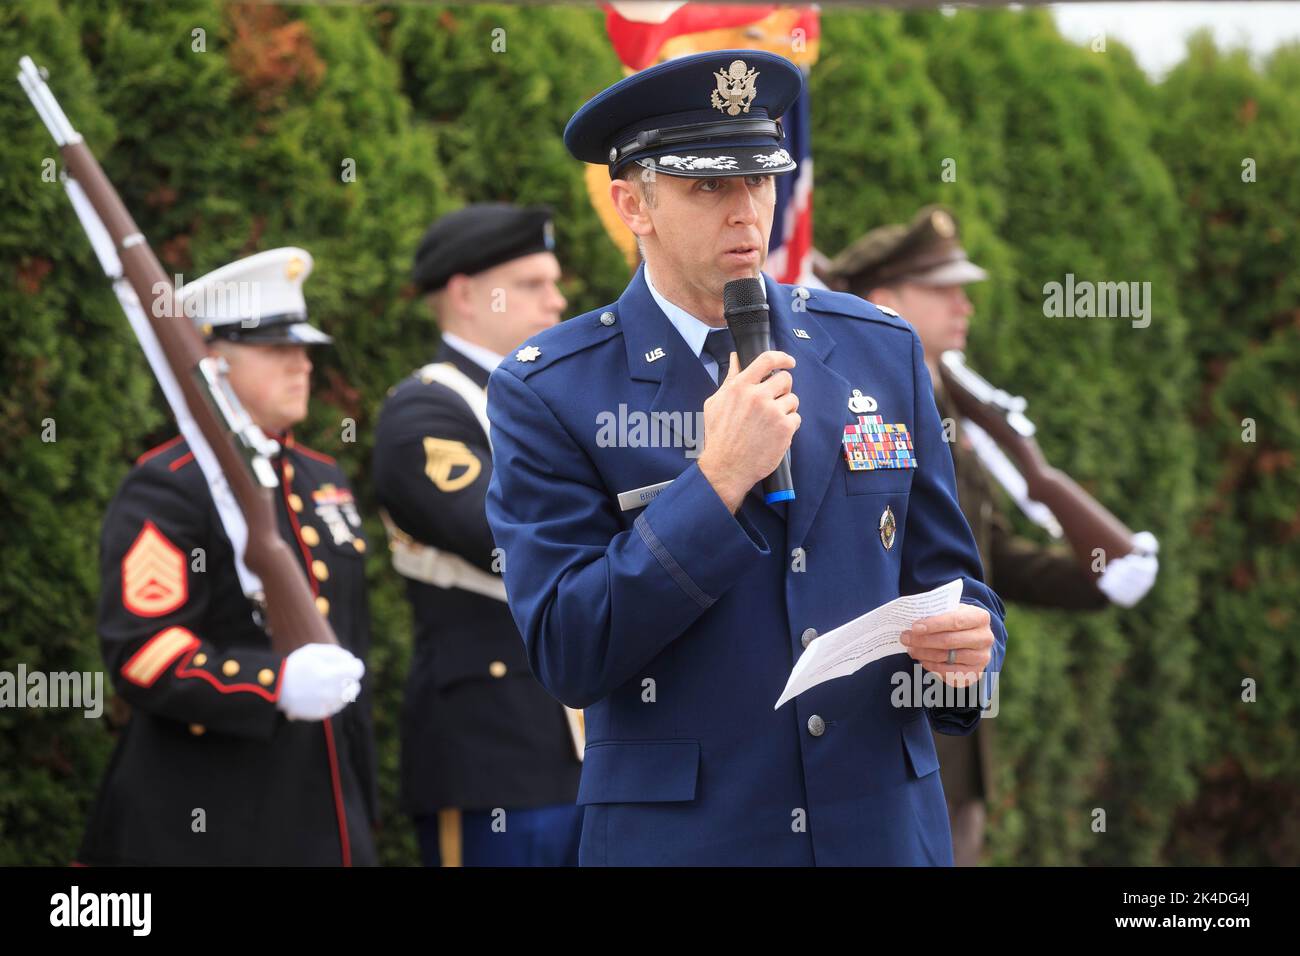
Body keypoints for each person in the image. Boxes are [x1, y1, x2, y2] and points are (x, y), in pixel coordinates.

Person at [484, 50, 1006, 866]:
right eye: (708, 187)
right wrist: (714, 482)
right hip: (692, 839)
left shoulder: (877, 349)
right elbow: (568, 649)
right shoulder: (551, 391)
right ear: (633, 203)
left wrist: (971, 654)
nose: (746, 213)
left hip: (880, 833)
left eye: (760, 180)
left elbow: (950, 579)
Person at [823, 205, 1160, 865]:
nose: (965, 305)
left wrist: (1094, 572)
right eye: (943, 289)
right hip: (885, 738)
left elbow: (984, 556)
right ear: (884, 301)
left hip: (955, 740)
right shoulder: (861, 411)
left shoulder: (947, 408)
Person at [78, 248, 377, 866]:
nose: (302, 364)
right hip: (211, 817)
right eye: (274, 349)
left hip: (325, 809)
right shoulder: (170, 485)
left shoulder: (322, 476)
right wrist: (272, 685)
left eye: (304, 348)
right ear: (211, 363)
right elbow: (145, 650)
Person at [373, 204, 583, 866]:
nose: (556, 301)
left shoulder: (561, 400)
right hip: (492, 749)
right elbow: (507, 538)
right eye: (529, 284)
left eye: (554, 282)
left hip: (591, 753)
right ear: (465, 294)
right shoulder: (426, 409)